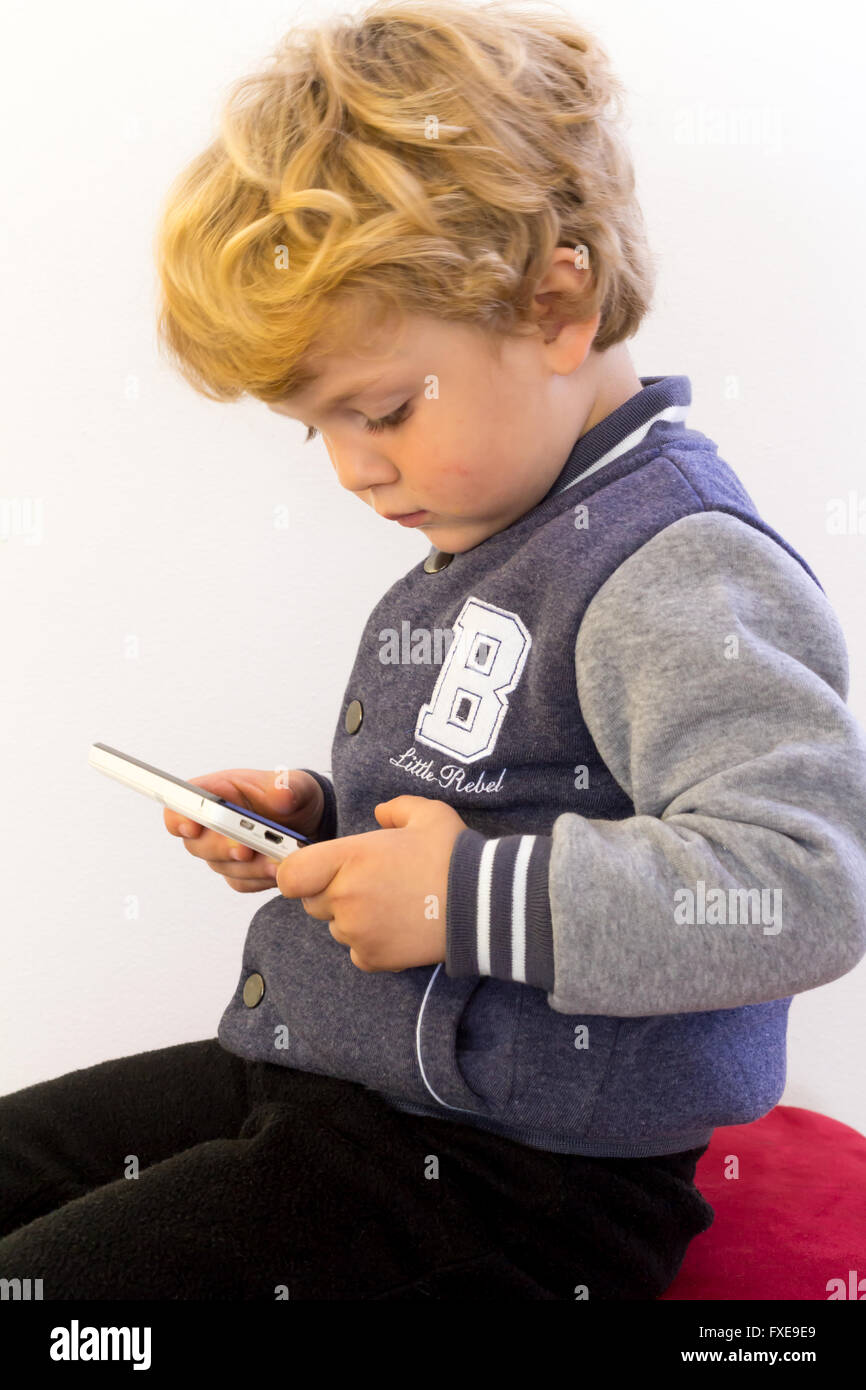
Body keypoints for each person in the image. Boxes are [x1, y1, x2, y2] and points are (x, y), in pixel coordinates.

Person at [2, 0, 865, 1301]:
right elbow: (504, 791)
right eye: (319, 430)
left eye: (383, 409)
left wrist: (466, 901)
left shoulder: (681, 563)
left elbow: (805, 879)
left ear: (556, 298)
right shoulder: (493, 529)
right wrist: (315, 821)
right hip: (321, 1082)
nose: (354, 468)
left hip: (514, 1183)